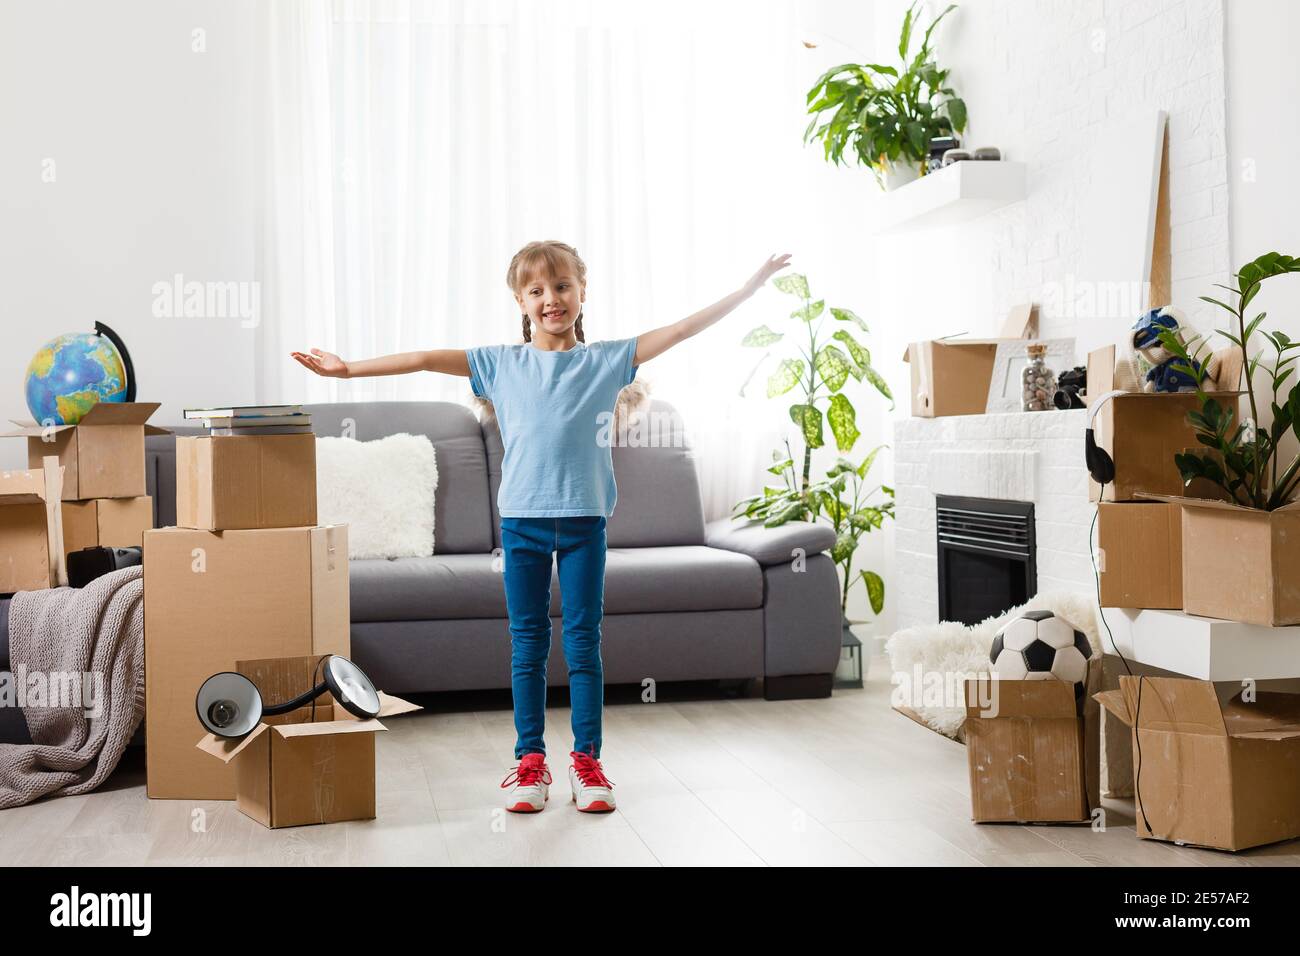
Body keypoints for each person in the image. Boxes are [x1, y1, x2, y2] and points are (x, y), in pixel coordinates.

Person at [293, 240, 791, 813]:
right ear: (520, 301)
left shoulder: (607, 360)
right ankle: (529, 762)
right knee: (527, 645)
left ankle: (587, 762)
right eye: (537, 291)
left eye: (562, 287)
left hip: (583, 528)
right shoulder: (500, 363)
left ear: (582, 291)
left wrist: (748, 290)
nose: (551, 300)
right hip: (523, 528)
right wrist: (348, 370)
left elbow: (679, 330)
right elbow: (427, 356)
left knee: (583, 644)